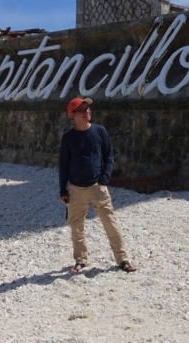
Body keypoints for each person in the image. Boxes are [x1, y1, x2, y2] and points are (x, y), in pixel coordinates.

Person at [58, 97, 137, 274]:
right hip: (76, 189)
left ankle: (122, 259)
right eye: (82, 109)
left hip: (97, 186)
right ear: (73, 115)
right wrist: (63, 189)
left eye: (88, 108)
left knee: (110, 222)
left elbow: (108, 156)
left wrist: (104, 179)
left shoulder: (100, 131)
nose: (87, 111)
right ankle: (81, 260)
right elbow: (63, 165)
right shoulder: (68, 138)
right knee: (76, 226)